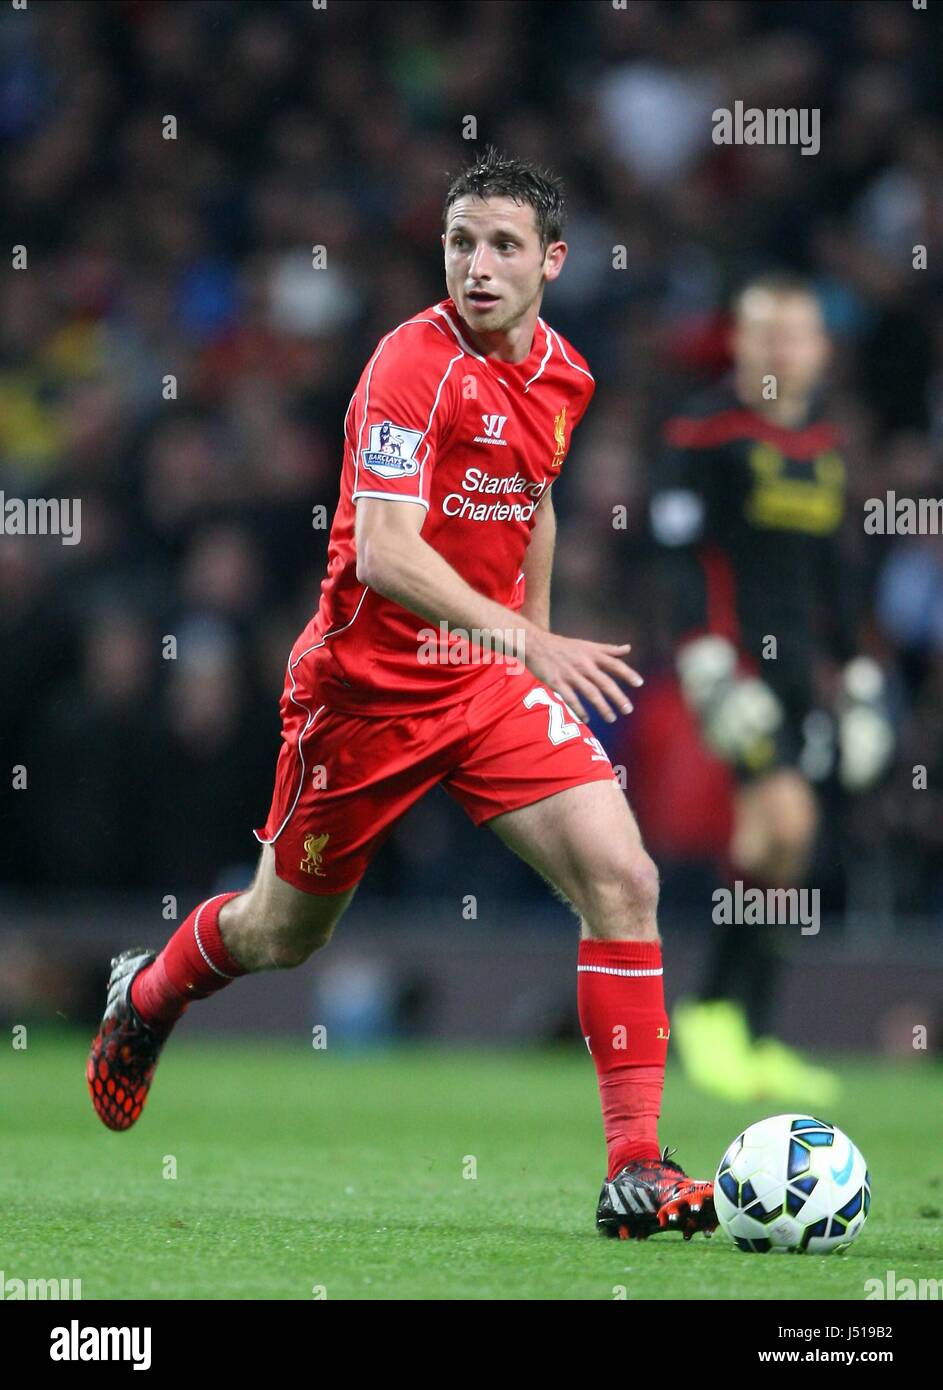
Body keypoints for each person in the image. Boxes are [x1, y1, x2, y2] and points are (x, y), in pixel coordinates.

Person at [88, 146, 715, 1242]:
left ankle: (635, 1168)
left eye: (503, 245)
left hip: (479, 683)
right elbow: (382, 551)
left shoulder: (567, 373)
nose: (477, 265)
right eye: (460, 242)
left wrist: (530, 641)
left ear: (551, 262)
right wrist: (526, 631)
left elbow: (538, 496)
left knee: (624, 875)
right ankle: (148, 994)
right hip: (363, 697)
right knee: (283, 932)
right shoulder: (407, 365)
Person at [649, 274, 894, 1103]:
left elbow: (837, 576)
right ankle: (711, 1013)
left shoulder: (822, 444)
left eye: (795, 335)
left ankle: (748, 1028)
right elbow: (683, 558)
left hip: (803, 673)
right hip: (736, 668)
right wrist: (708, 664)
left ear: (819, 348)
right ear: (739, 343)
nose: (780, 350)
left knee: (786, 848)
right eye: (764, 334)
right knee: (778, 822)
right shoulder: (703, 431)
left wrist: (859, 674)